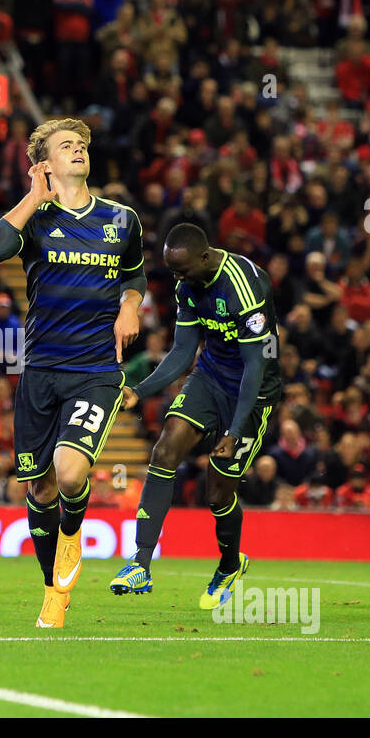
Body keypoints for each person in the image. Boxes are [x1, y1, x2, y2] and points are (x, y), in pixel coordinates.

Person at [0, 117, 145, 628]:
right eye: (64, 147)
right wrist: (34, 194)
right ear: (46, 163)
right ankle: (53, 589)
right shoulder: (37, 218)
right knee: (39, 489)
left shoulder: (122, 219)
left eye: (80, 145)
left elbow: (134, 271)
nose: (77, 150)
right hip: (42, 368)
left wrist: (131, 303)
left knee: (72, 472)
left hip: (95, 367)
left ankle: (72, 539)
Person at [109, 223, 281, 609]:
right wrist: (139, 391)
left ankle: (229, 565)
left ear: (205, 257)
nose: (178, 279)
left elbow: (255, 366)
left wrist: (235, 430)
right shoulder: (187, 284)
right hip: (210, 377)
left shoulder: (246, 286)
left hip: (253, 391)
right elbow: (183, 352)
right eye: (173, 272)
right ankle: (140, 562)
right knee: (165, 449)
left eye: (183, 271)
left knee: (217, 492)